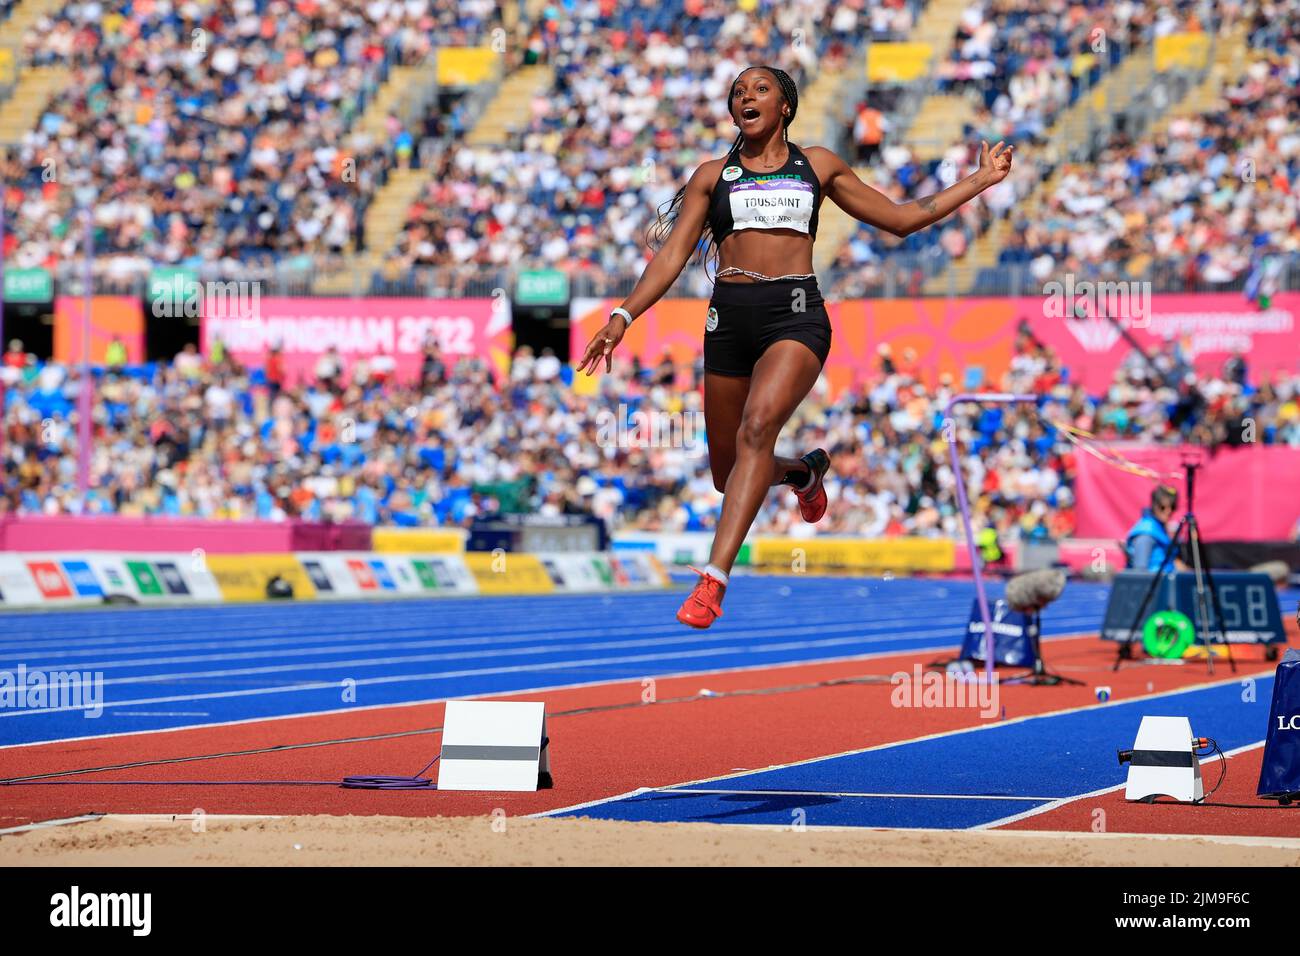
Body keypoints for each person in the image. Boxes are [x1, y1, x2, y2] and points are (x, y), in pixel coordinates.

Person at [576, 65, 1014, 628]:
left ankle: (713, 582)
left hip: (796, 315)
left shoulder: (819, 165)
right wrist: (622, 314)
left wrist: (979, 181)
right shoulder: (713, 176)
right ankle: (803, 475)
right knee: (728, 471)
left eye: (759, 89)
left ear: (786, 106)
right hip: (728, 319)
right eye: (738, 91)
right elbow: (671, 256)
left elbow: (903, 220)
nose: (746, 96)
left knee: (758, 428)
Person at [1125, 485, 1183, 572]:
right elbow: (1139, 572)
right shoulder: (1145, 534)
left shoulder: (1161, 529)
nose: (1168, 511)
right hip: (1153, 584)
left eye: (1172, 507)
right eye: (1163, 507)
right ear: (1154, 505)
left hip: (1166, 582)